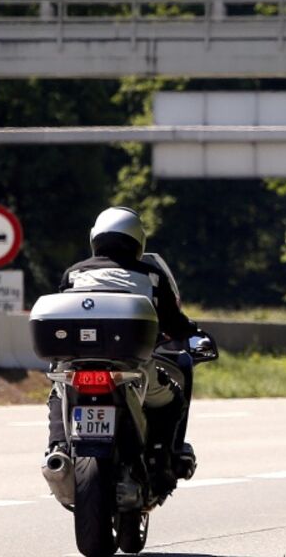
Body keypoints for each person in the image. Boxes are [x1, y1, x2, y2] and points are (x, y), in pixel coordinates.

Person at [46, 206, 202, 481]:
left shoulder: (74, 274)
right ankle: (160, 460)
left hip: (78, 365)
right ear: (137, 240)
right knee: (172, 399)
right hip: (133, 367)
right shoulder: (151, 277)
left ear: (95, 238)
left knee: (58, 394)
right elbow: (174, 322)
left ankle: (57, 448)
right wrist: (191, 332)